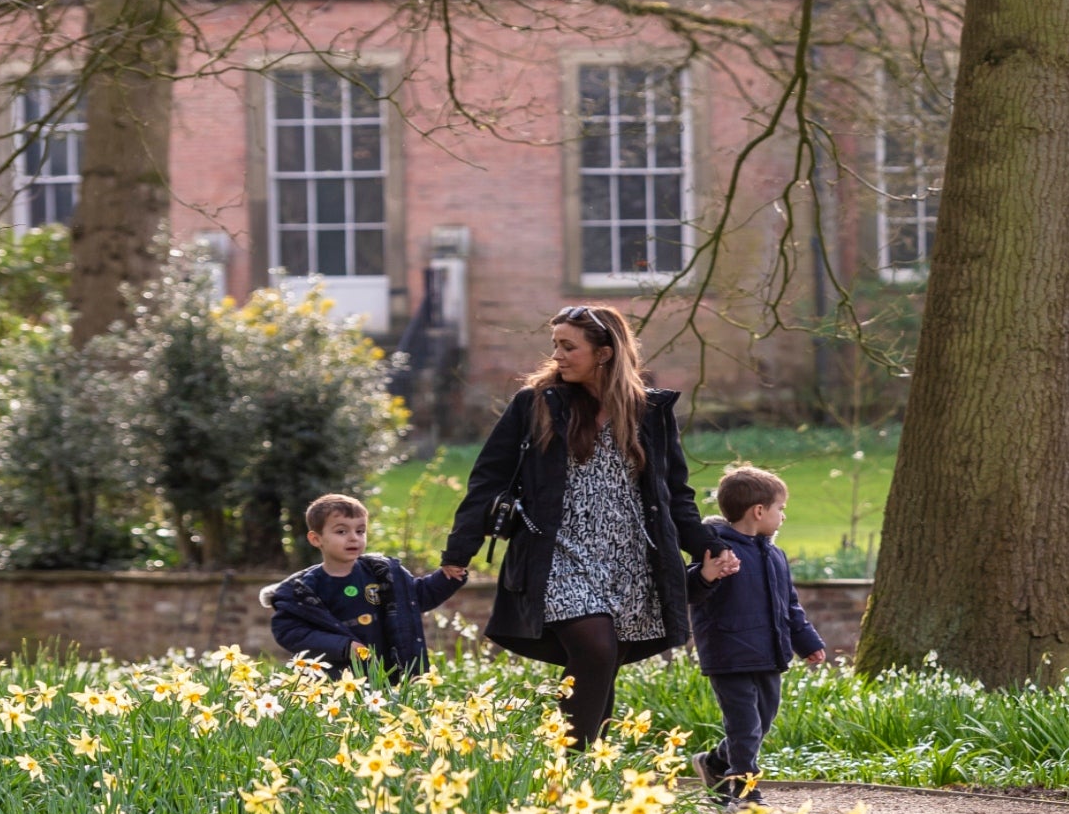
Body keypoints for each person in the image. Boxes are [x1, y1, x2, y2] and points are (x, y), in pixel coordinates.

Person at [440, 305, 737, 747]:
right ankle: (568, 764)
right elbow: (489, 478)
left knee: (605, 660)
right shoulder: (536, 403)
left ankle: (587, 775)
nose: (557, 356)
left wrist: (704, 545)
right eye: (555, 345)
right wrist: (460, 548)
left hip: (630, 557)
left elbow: (674, 492)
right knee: (596, 648)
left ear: (603, 353)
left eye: (568, 346)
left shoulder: (649, 411)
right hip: (557, 552)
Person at [688, 465, 828, 805]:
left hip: (769, 653)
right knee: (745, 725)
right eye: (781, 508)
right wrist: (708, 575)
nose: (783, 516)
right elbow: (690, 590)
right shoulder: (718, 551)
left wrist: (806, 641)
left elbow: (789, 606)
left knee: (762, 720)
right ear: (759, 511)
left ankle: (715, 763)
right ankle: (745, 787)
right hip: (729, 653)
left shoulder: (775, 555)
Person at [262, 494, 465, 679]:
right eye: (341, 531)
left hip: (393, 676)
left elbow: (417, 596)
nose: (353, 538)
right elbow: (290, 632)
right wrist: (343, 647)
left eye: (360, 531)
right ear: (316, 539)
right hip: (337, 682)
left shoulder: (383, 573)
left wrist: (447, 577)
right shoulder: (304, 590)